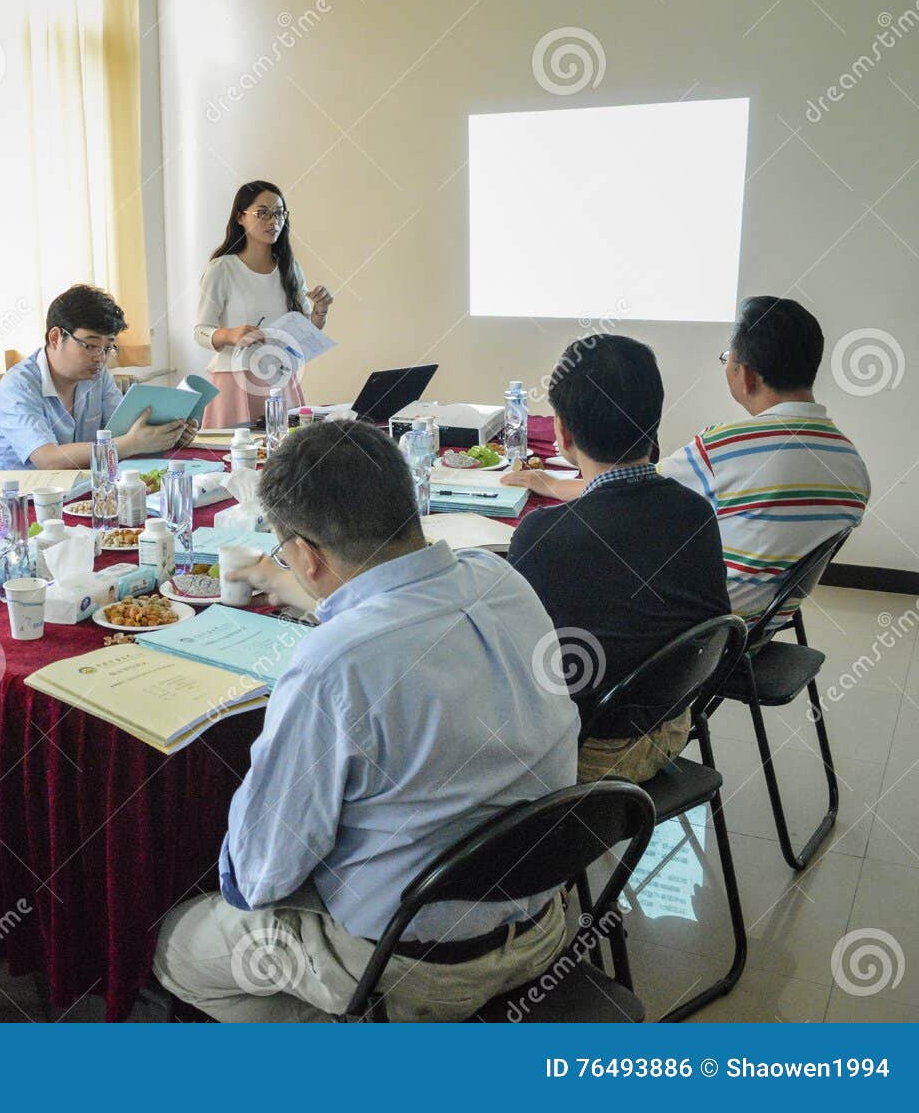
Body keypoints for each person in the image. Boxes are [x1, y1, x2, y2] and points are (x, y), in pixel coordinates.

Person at [152, 420, 579, 1022]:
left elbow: (258, 878)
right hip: (545, 921)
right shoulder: (502, 580)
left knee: (176, 943)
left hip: (417, 969)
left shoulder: (334, 665)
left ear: (306, 554)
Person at [505, 296, 870, 630]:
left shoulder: (728, 448)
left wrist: (549, 484)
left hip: (704, 621)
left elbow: (626, 486)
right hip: (766, 620)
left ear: (746, 375)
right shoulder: (853, 465)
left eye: (728, 358)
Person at [506, 336, 730, 783]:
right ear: (654, 422)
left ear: (563, 433)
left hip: (586, 753)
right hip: (674, 725)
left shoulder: (542, 535)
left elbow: (518, 670)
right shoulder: (696, 513)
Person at [0, 284, 194, 475]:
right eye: (90, 345)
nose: (101, 357)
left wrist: (168, 435)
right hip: (3, 506)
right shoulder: (19, 385)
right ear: (56, 337)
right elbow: (48, 460)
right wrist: (130, 444)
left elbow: (124, 432)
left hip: (67, 493)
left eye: (108, 347)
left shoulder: (97, 375)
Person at [194, 180, 334, 430]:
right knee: (234, 458)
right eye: (263, 213)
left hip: (280, 377)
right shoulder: (222, 269)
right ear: (240, 217)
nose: (273, 221)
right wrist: (231, 334)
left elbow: (304, 331)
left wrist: (320, 311)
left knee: (287, 459)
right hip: (235, 379)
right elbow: (200, 331)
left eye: (279, 213)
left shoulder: (289, 268)